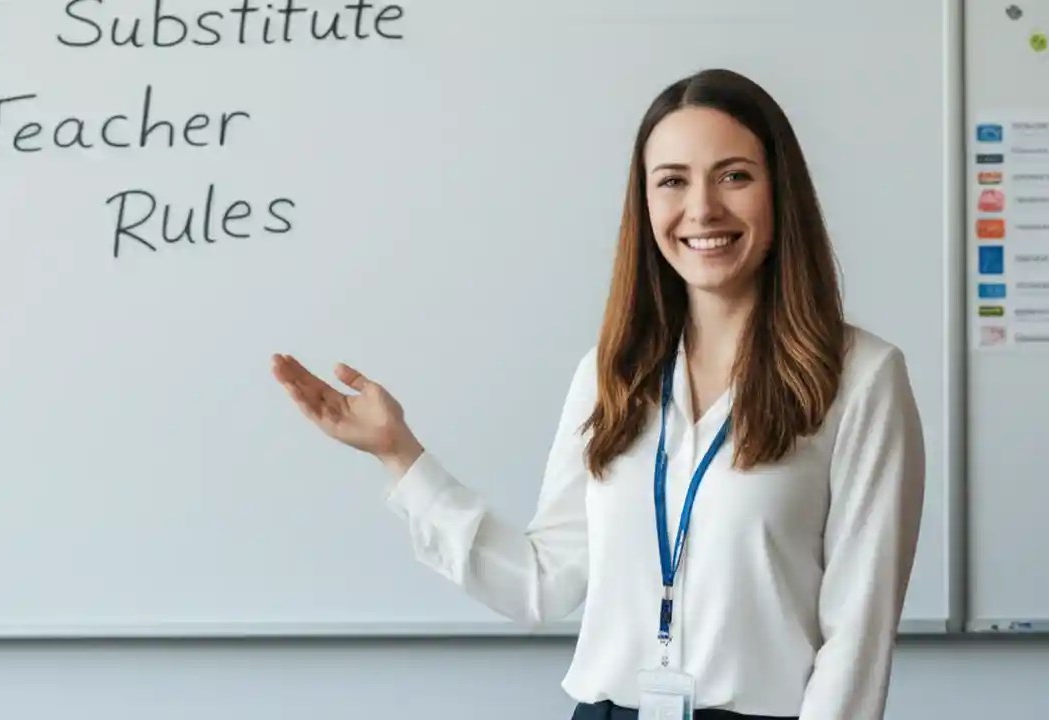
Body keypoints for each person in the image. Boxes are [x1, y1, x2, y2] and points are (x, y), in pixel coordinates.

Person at [270, 68, 925, 720]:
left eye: (734, 175)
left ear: (781, 193)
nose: (702, 209)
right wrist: (399, 456)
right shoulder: (611, 374)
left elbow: (857, 640)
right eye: (672, 181)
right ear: (644, 205)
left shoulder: (861, 379)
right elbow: (541, 583)